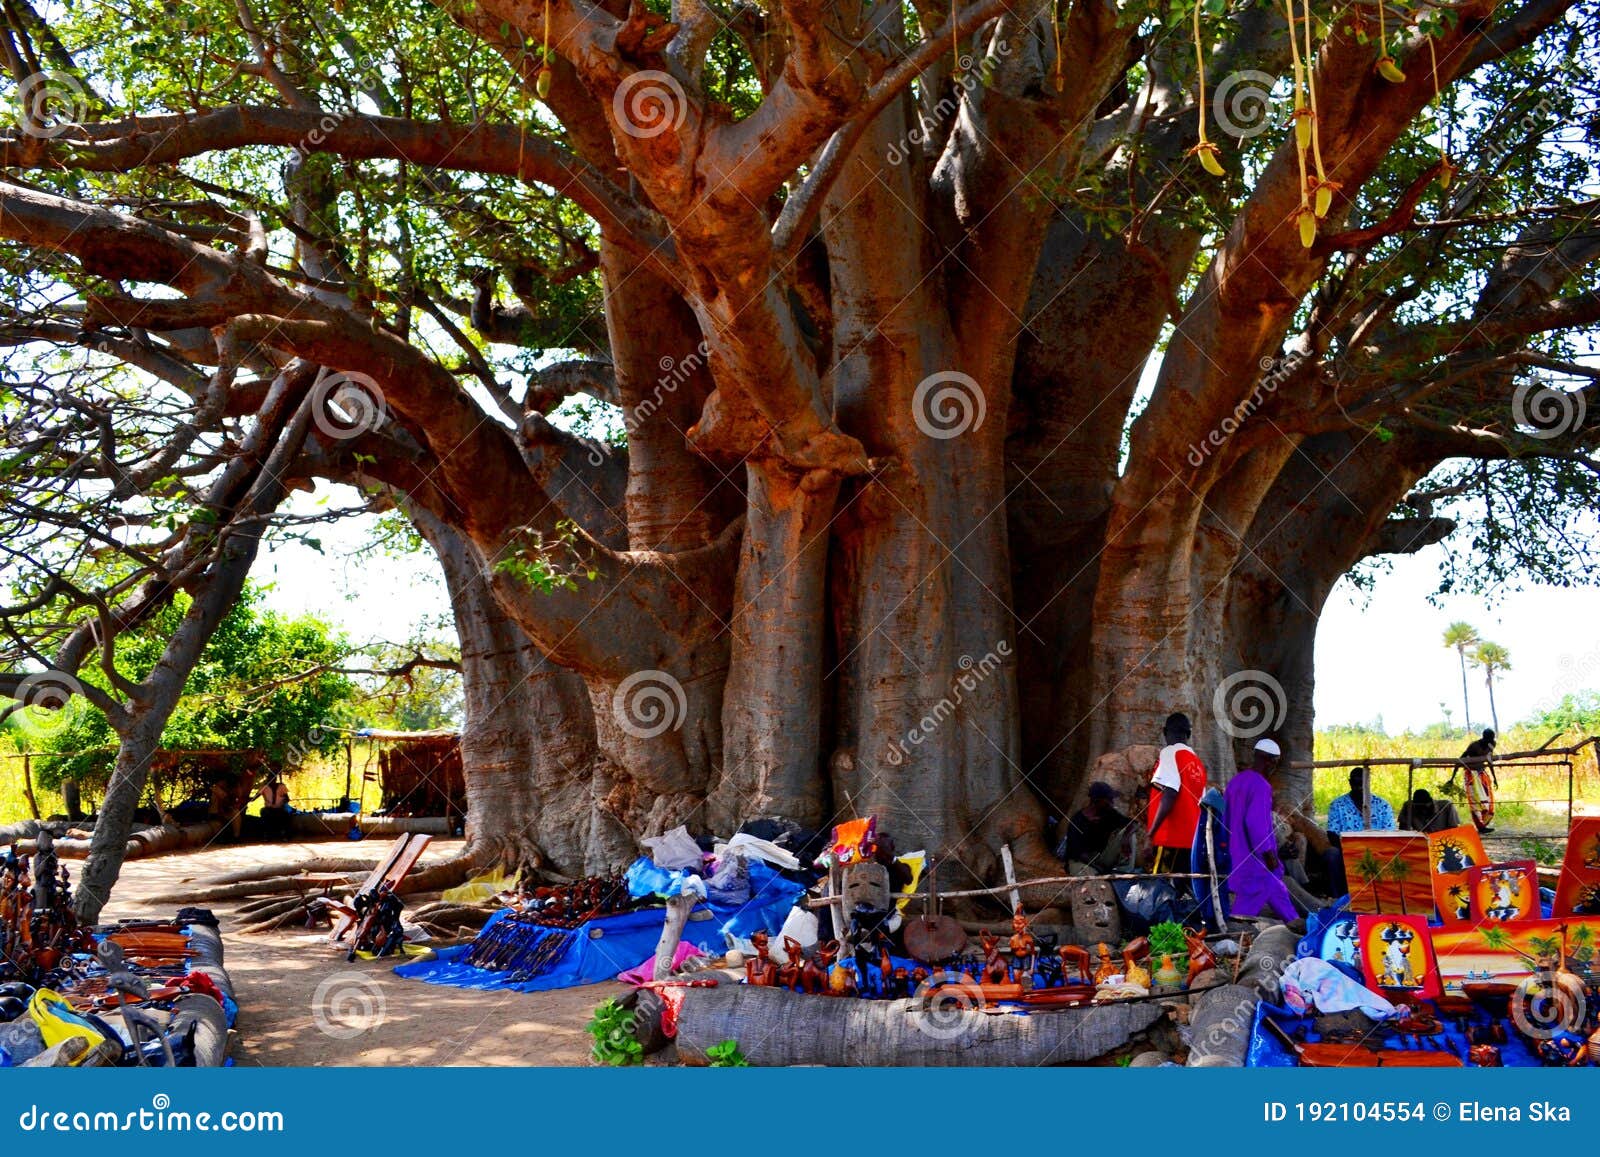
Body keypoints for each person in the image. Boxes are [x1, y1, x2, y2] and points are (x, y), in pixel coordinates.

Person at [1224, 738, 1299, 923]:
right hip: (1254, 860)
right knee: (1246, 907)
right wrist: (1268, 855)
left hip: (1234, 854)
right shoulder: (1261, 786)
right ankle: (1233, 933)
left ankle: (1299, 926)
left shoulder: (1235, 781)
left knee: (1278, 891)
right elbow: (1255, 825)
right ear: (1271, 761)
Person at [1146, 712, 1207, 874]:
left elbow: (1170, 794)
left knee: (1160, 890)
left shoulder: (1169, 753)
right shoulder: (1198, 763)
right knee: (1181, 892)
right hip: (1191, 842)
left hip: (1169, 839)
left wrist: (1151, 833)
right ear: (1189, 734)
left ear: (1165, 732)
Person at [1057, 782, 1133, 874]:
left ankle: (1124, 872)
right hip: (1080, 862)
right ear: (1097, 801)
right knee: (1092, 879)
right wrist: (1098, 868)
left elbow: (1132, 824)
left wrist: (1126, 837)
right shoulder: (1078, 821)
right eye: (1108, 799)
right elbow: (1077, 853)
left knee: (1131, 835)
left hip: (1100, 857)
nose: (1111, 803)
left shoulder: (1109, 813)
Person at [1449, 728, 1498, 832]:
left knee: (1488, 801)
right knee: (1475, 802)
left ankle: (1484, 824)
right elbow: (1460, 759)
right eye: (1488, 738)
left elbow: (1489, 761)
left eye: (1491, 739)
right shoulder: (1474, 746)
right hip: (1471, 775)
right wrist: (1452, 778)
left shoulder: (1492, 744)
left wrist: (1494, 778)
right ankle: (1480, 827)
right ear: (1483, 737)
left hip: (1482, 774)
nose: (1490, 741)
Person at [1325, 766, 1397, 834]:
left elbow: (1389, 835)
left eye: (1362, 784)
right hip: (1346, 847)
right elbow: (1333, 835)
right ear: (1350, 783)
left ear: (1368, 782)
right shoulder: (1337, 805)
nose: (1359, 788)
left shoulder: (1383, 806)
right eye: (1355, 784)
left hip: (1379, 846)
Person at [260, 772, 291, 840]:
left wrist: (282, 803)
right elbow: (255, 797)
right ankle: (266, 834)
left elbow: (287, 799)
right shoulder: (264, 787)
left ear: (275, 779)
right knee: (264, 812)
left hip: (279, 808)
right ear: (267, 780)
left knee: (285, 814)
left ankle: (284, 834)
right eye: (270, 778)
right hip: (268, 808)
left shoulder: (282, 786)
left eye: (273, 778)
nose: (271, 780)